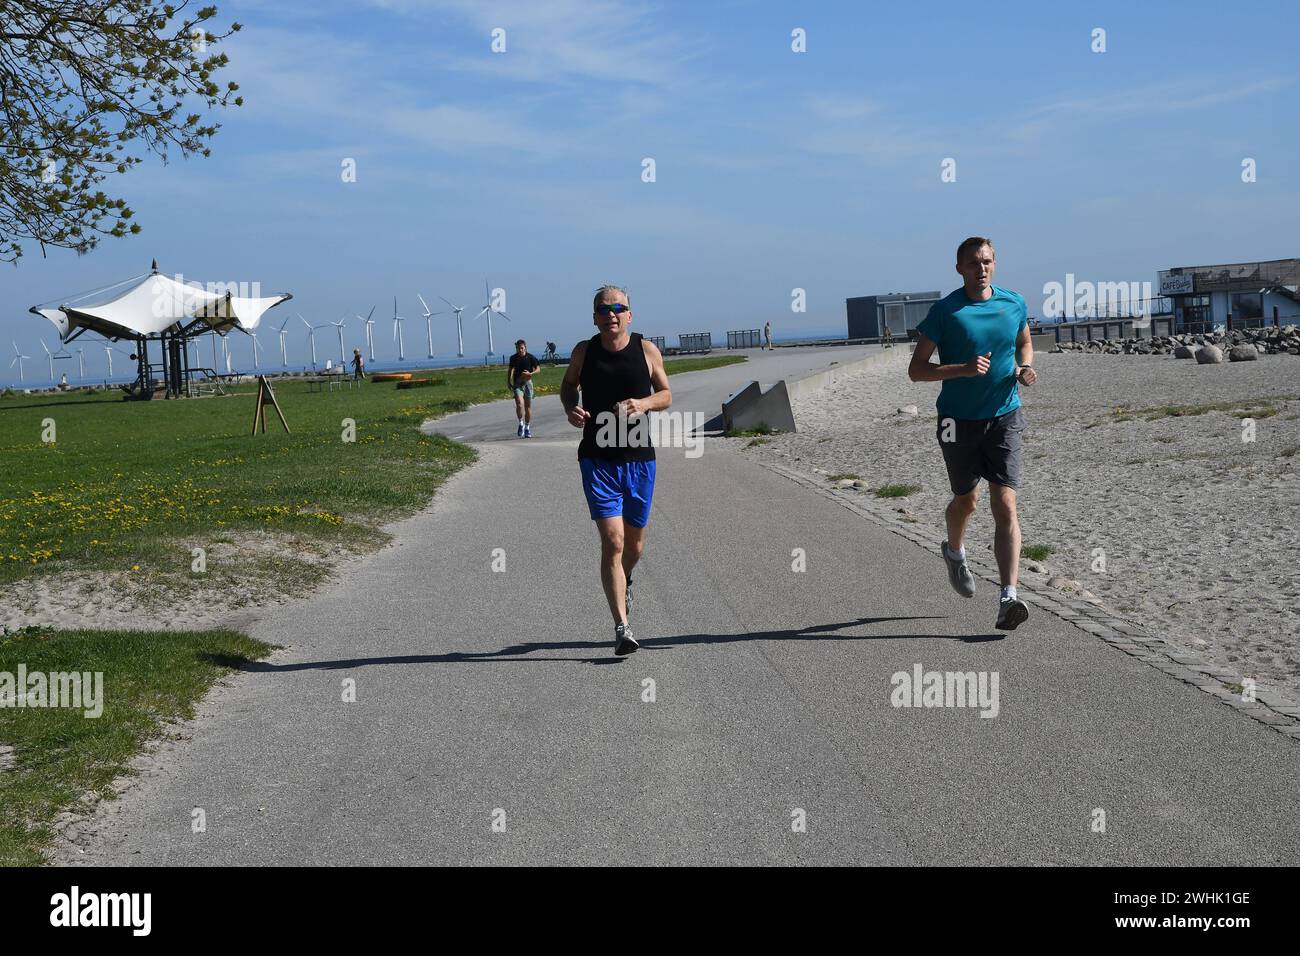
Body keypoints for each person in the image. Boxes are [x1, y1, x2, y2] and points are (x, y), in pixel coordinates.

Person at [909, 236, 1036, 631]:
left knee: (1006, 503)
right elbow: (917, 370)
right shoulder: (946, 312)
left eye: (987, 261)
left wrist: (1024, 367)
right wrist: (961, 369)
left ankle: (1008, 597)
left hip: (1004, 415)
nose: (981, 268)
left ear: (994, 263)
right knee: (967, 500)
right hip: (956, 421)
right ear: (959, 268)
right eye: (973, 263)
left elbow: (1025, 341)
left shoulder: (1013, 302)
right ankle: (954, 551)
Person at [561, 286, 672, 655]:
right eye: (603, 309)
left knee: (634, 546)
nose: (611, 313)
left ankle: (626, 579)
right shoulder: (583, 351)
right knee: (613, 542)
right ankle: (622, 627)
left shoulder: (646, 350)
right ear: (594, 317)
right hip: (597, 459)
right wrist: (570, 407)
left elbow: (667, 395)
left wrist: (643, 403)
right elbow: (568, 387)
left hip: (639, 460)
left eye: (618, 307)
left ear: (629, 314)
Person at [508, 339, 540, 437]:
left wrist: (531, 373)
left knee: (528, 407)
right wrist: (508, 381)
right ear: (516, 348)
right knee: (519, 404)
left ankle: (527, 428)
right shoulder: (513, 358)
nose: (520, 350)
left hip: (528, 383)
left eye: (522, 348)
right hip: (518, 383)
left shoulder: (531, 357)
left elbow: (538, 369)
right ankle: (520, 423)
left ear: (525, 347)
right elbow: (510, 370)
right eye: (518, 348)